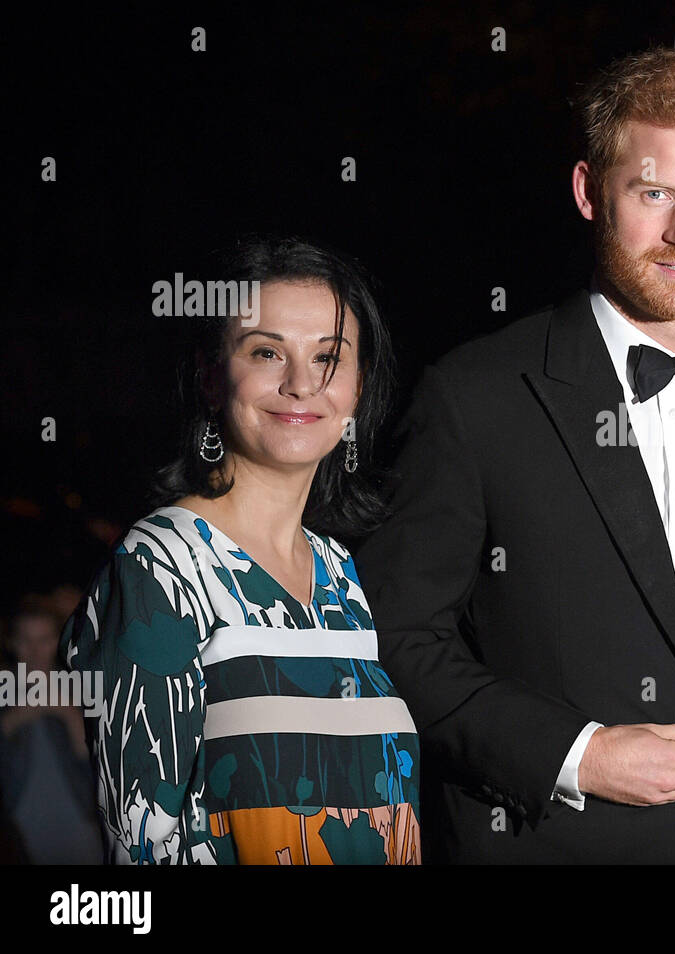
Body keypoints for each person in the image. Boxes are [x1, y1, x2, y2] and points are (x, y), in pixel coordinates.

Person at [358, 47, 675, 863]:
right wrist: (575, 754)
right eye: (653, 193)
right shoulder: (475, 394)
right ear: (591, 192)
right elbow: (397, 641)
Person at [60, 236, 421, 864]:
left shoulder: (342, 574)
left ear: (360, 387)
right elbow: (139, 853)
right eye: (266, 352)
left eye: (329, 357)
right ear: (210, 375)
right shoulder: (161, 566)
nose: (301, 383)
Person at [0, 597, 100, 864]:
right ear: (11, 643)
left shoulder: (80, 688)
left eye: (44, 640)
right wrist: (12, 720)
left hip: (80, 829)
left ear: (58, 640)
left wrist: (70, 716)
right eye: (25, 640)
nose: (34, 651)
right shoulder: (3, 691)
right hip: (17, 835)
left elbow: (103, 772)